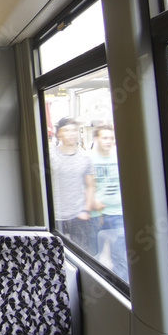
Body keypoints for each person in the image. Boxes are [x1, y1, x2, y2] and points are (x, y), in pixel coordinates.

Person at [50, 117, 96, 254]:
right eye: (67, 130)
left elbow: (90, 185)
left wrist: (85, 210)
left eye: (74, 131)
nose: (71, 134)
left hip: (78, 215)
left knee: (82, 254)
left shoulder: (85, 158)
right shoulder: (50, 156)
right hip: (55, 216)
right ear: (59, 134)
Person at [91, 125, 127, 280]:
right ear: (96, 139)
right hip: (96, 214)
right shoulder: (89, 158)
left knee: (119, 255)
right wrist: (92, 201)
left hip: (118, 213)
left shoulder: (121, 157)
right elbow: (83, 184)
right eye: (104, 137)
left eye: (111, 138)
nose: (108, 141)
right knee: (93, 254)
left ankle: (122, 289)